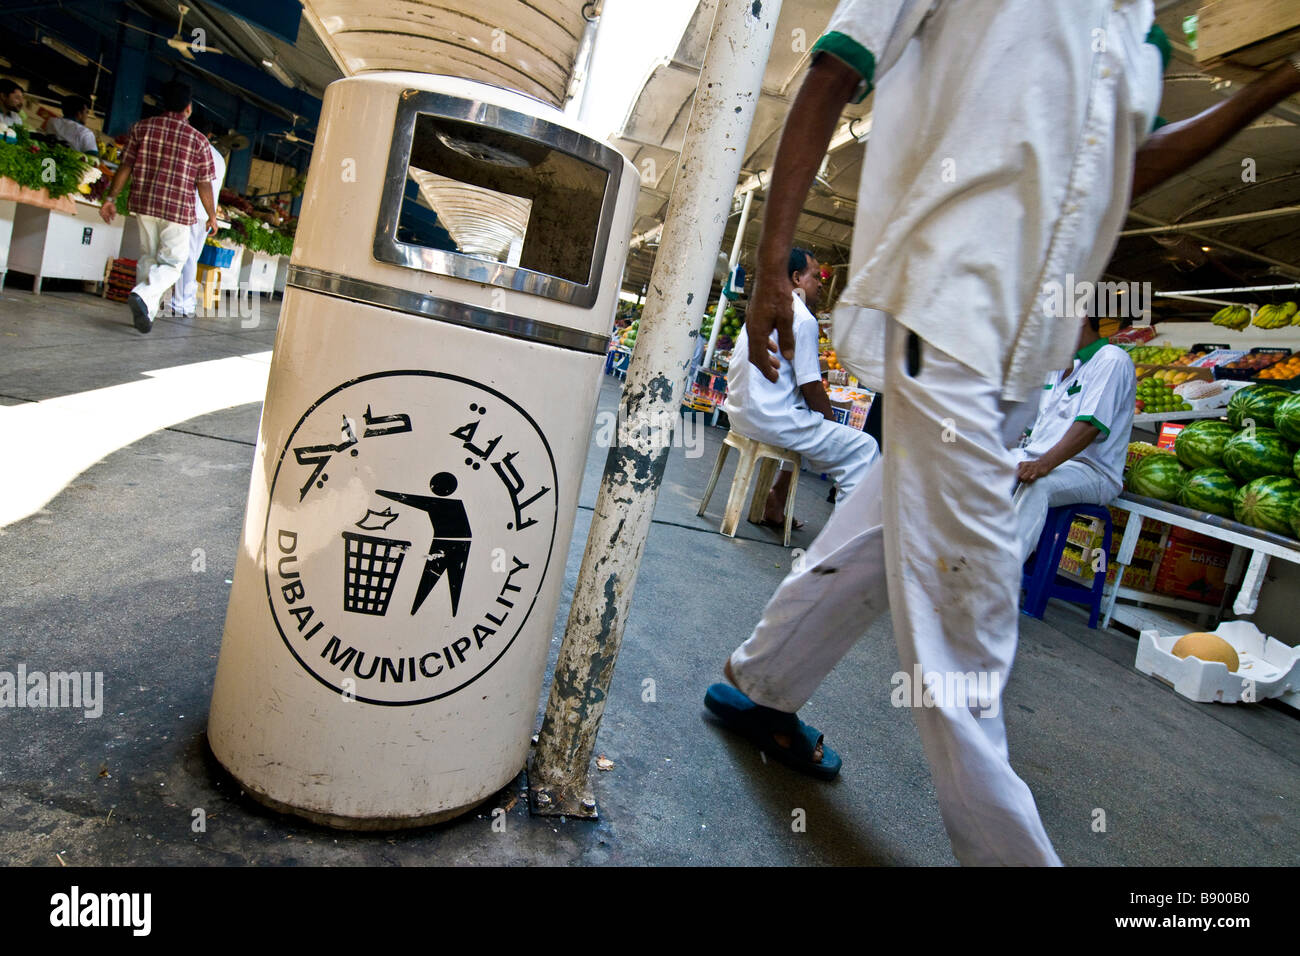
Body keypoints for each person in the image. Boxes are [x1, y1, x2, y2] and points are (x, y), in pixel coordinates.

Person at [704, 1, 1300, 867]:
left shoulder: (1139, 29)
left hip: (1024, 358)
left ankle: (761, 686)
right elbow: (835, 65)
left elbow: (1129, 164)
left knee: (874, 540)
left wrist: (1273, 86)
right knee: (967, 611)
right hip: (942, 312)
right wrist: (770, 267)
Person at [722, 248, 877, 527]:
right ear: (796, 278)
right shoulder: (802, 317)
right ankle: (842, 539)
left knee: (810, 423)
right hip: (770, 419)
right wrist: (831, 423)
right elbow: (812, 386)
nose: (821, 284)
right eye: (816, 277)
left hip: (739, 413)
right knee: (863, 448)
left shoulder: (762, 307)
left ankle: (776, 502)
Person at [1012, 314, 1136, 563]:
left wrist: (1042, 465)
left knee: (1037, 485)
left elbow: (1089, 426)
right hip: (1039, 457)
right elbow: (1025, 420)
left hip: (1092, 470)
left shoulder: (1111, 360)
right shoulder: (1056, 367)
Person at [98, 80, 216, 333]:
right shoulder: (198, 140)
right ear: (188, 107)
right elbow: (204, 184)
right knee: (174, 263)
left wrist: (110, 199)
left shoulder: (141, 128)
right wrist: (212, 216)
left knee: (148, 257)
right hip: (177, 210)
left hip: (144, 204)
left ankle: (146, 314)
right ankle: (143, 294)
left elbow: (126, 167)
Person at [168, 115, 226, 318]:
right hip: (204, 214)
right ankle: (185, 302)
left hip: (190, 209)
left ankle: (182, 303)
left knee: (183, 256)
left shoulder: (195, 149)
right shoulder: (219, 157)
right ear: (210, 134)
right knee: (191, 256)